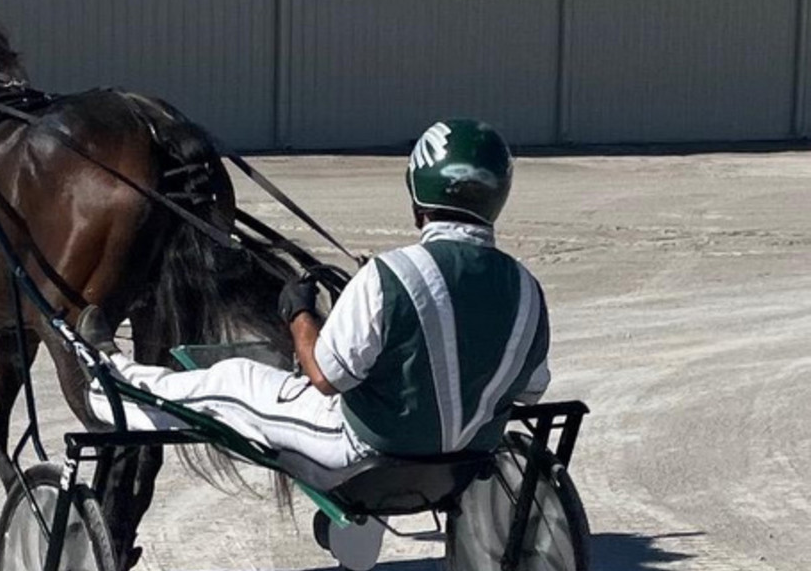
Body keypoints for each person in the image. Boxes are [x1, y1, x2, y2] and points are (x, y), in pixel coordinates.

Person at [81, 118, 551, 473]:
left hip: (362, 447)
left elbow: (325, 377)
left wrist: (299, 313)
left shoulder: (390, 275)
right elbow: (531, 388)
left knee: (232, 382)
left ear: (417, 198)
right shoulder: (527, 288)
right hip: (469, 454)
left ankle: (113, 385)